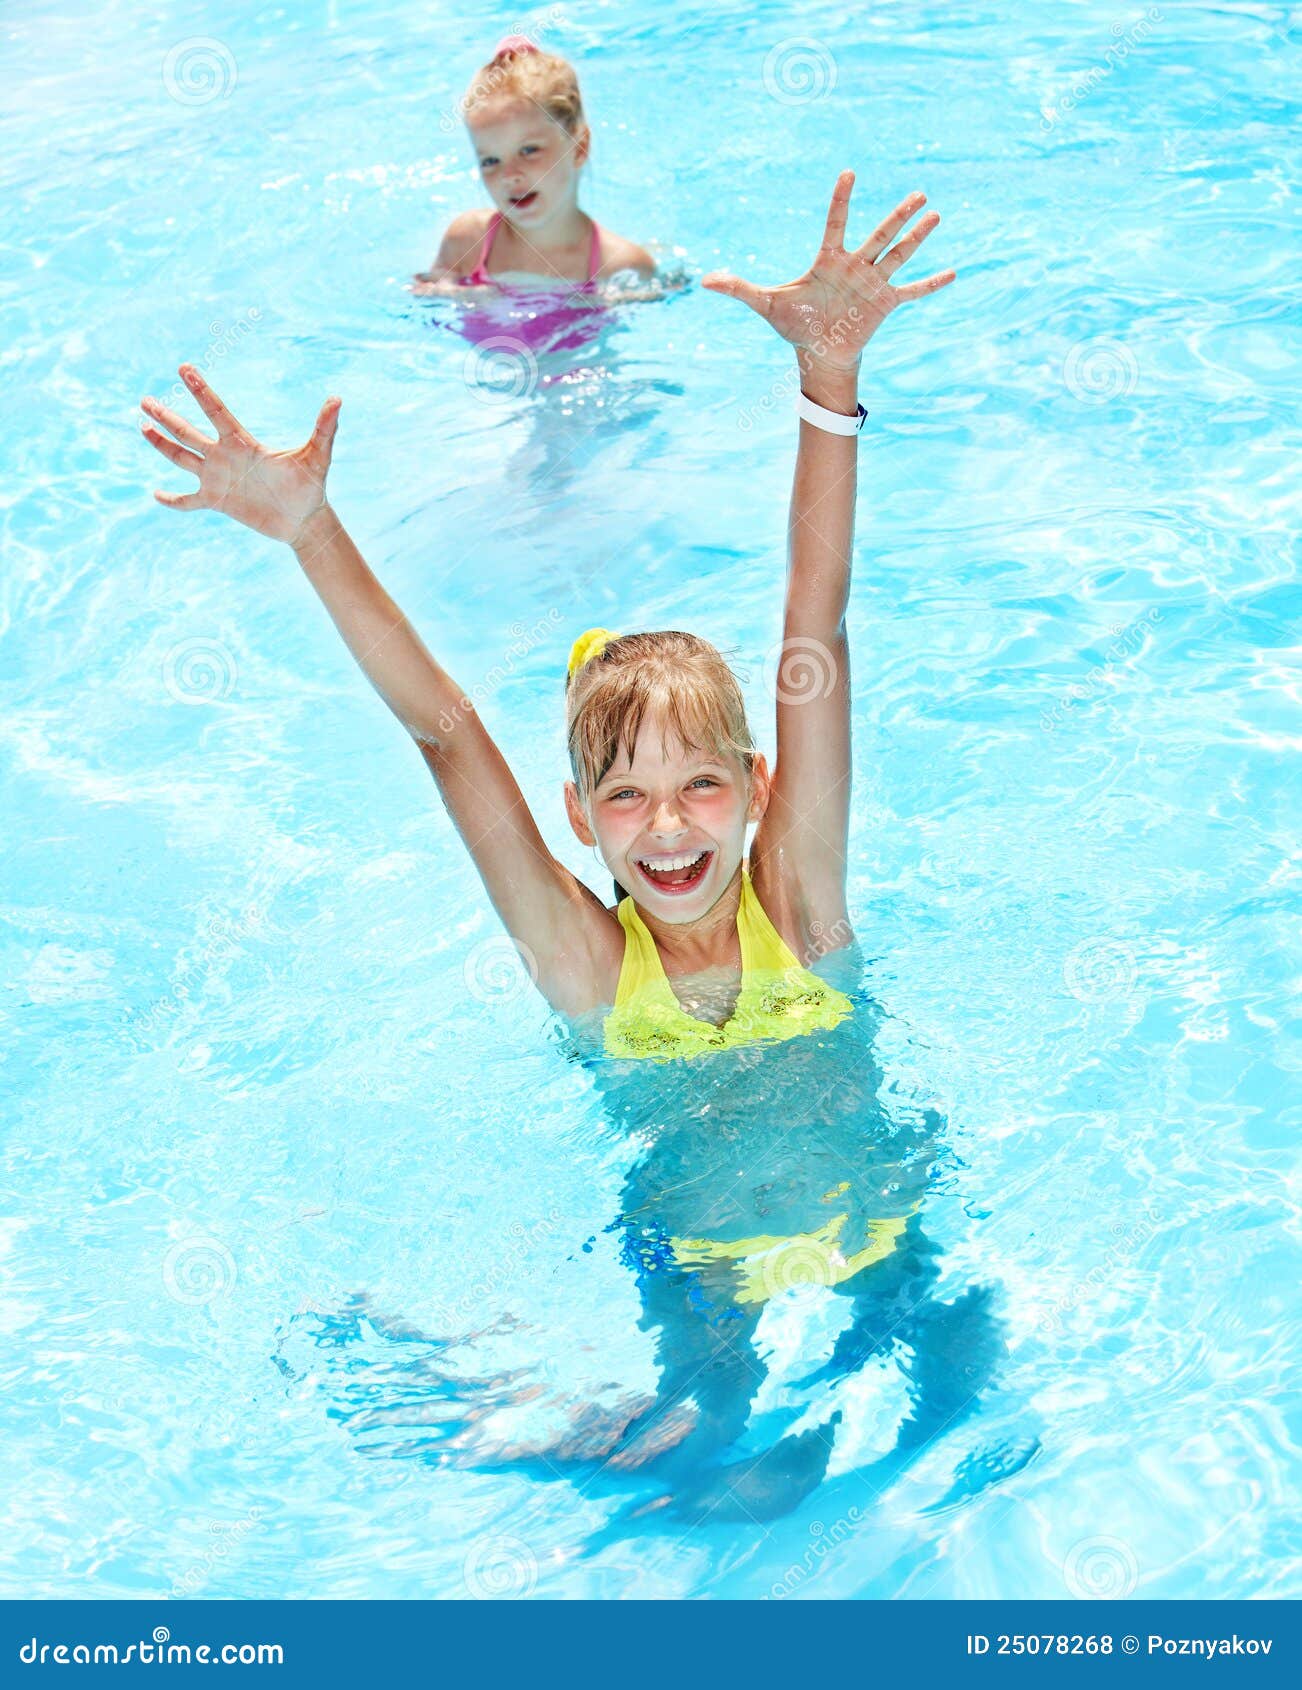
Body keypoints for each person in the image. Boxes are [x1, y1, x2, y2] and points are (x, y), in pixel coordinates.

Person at [139, 174, 956, 1068]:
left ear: (760, 786)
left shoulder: (798, 904)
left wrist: (829, 375)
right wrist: (311, 531)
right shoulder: (589, 967)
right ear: (578, 816)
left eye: (701, 784)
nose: (669, 825)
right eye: (626, 795)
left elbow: (816, 628)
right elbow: (444, 737)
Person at [411, 34, 656, 300]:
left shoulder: (620, 265)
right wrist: (458, 295)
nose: (510, 175)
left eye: (528, 151)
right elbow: (426, 302)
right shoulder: (468, 242)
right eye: (491, 161)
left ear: (579, 147)